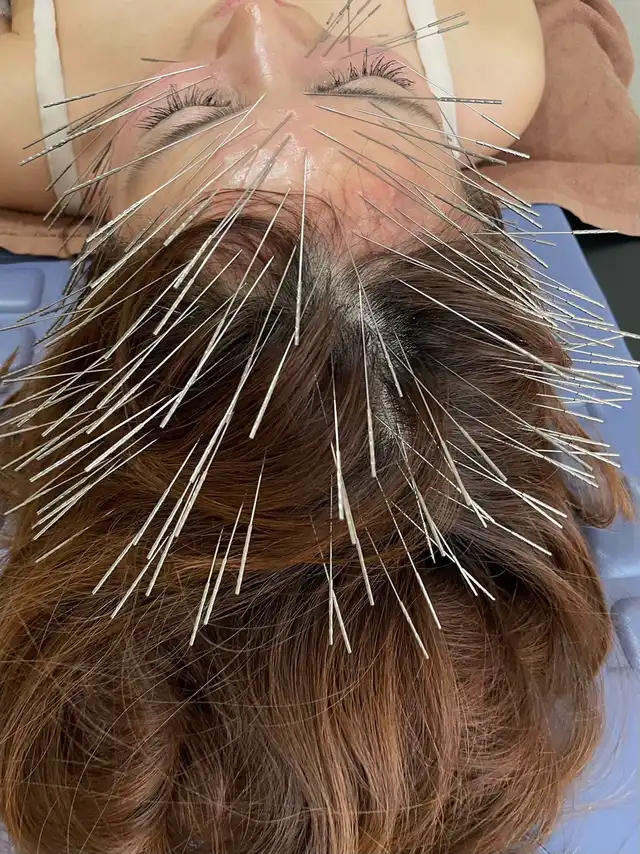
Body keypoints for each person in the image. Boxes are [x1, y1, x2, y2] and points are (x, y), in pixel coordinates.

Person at [0, 2, 633, 854]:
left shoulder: (30, 103)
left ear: (100, 273)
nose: (259, 23)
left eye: (189, 114)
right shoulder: (484, 54)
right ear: (482, 213)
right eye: (365, 86)